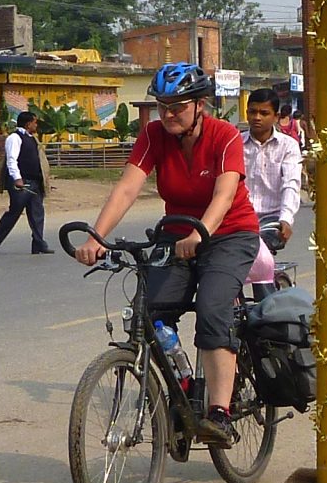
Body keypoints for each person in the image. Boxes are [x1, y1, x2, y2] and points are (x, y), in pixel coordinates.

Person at [78, 62, 259, 446]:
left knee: (212, 310)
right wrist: (97, 236)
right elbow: (127, 189)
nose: (169, 114)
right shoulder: (153, 135)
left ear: (200, 105)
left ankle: (220, 413)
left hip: (229, 234)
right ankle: (184, 388)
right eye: (163, 105)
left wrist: (201, 231)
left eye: (178, 106)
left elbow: (224, 195)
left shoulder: (225, 135)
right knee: (153, 312)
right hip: (175, 235)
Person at [242, 85, 303, 252]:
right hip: (240, 217)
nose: (257, 117)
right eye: (252, 112)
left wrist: (285, 219)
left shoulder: (288, 146)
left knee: (259, 253)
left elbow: (291, 183)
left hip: (272, 219)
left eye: (264, 113)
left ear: (276, 117)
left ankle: (269, 279)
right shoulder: (235, 143)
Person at [0, 108, 51, 256]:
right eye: (35, 122)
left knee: (37, 214)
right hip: (22, 183)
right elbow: (11, 160)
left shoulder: (32, 138)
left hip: (35, 182)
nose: (36, 126)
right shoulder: (14, 138)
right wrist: (17, 178)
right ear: (28, 124)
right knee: (14, 213)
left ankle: (39, 244)